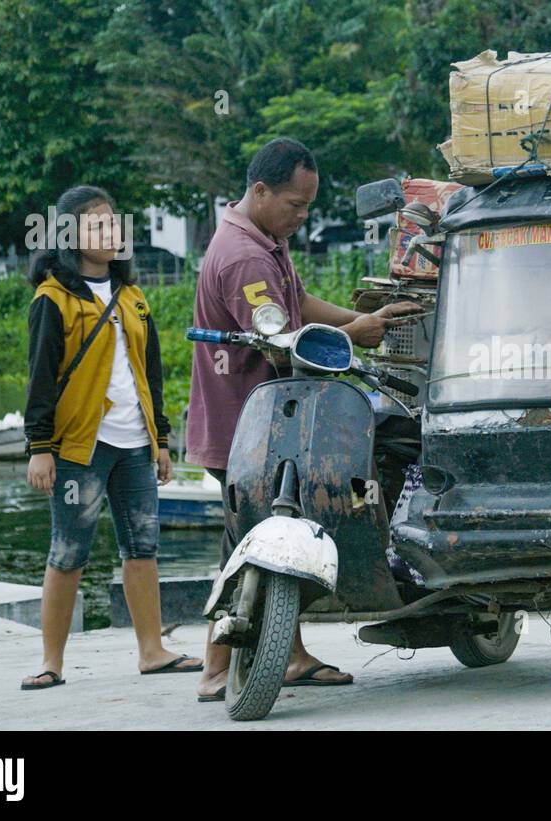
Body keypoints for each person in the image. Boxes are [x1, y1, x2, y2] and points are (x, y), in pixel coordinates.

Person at [186, 138, 419, 702]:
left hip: (261, 419)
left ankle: (265, 658)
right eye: (295, 204)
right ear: (261, 191)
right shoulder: (244, 257)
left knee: (246, 537)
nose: (302, 215)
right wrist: (352, 336)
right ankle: (230, 666)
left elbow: (298, 302)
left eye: (307, 205)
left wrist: (362, 318)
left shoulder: (263, 239)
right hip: (247, 424)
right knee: (252, 539)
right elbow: (278, 343)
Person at [21, 185, 202, 690]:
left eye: (113, 223)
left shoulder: (133, 298)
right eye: (97, 224)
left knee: (142, 547)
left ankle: (152, 650)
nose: (111, 232)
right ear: (70, 235)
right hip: (79, 447)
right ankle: (50, 662)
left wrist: (161, 440)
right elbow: (39, 378)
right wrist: (39, 449)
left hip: (135, 445)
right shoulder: (52, 300)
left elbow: (151, 373)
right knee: (68, 551)